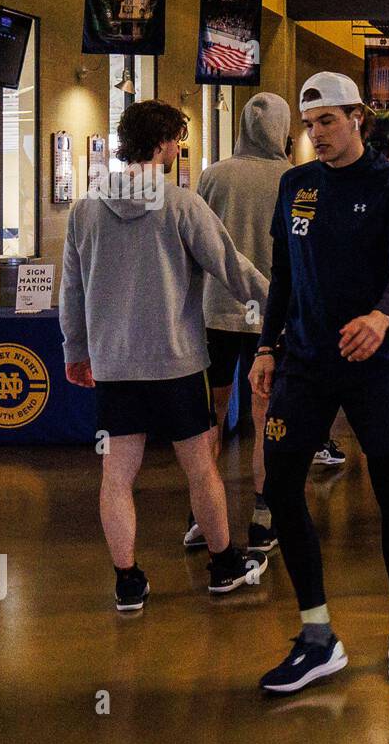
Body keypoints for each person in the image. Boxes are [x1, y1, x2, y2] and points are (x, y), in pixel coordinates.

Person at [252, 72, 389, 692]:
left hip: (374, 362)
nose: (317, 135)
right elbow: (282, 275)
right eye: (308, 125)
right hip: (303, 361)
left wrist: (382, 318)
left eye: (327, 121)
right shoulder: (294, 185)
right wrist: (266, 345)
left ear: (358, 117)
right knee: (280, 483)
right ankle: (318, 634)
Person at [60, 99, 271, 612]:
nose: (179, 149)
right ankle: (223, 565)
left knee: (116, 475)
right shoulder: (180, 204)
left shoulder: (86, 208)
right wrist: (283, 305)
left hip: (114, 367)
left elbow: (71, 289)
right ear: (161, 143)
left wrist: (77, 350)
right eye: (176, 139)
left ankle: (128, 580)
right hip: (176, 365)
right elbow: (232, 268)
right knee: (201, 468)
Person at [189, 92, 292, 555]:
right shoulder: (294, 178)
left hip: (216, 314)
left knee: (208, 419)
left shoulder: (212, 177)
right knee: (264, 416)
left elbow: (193, 245)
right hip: (272, 319)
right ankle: (264, 513)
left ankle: (200, 515)